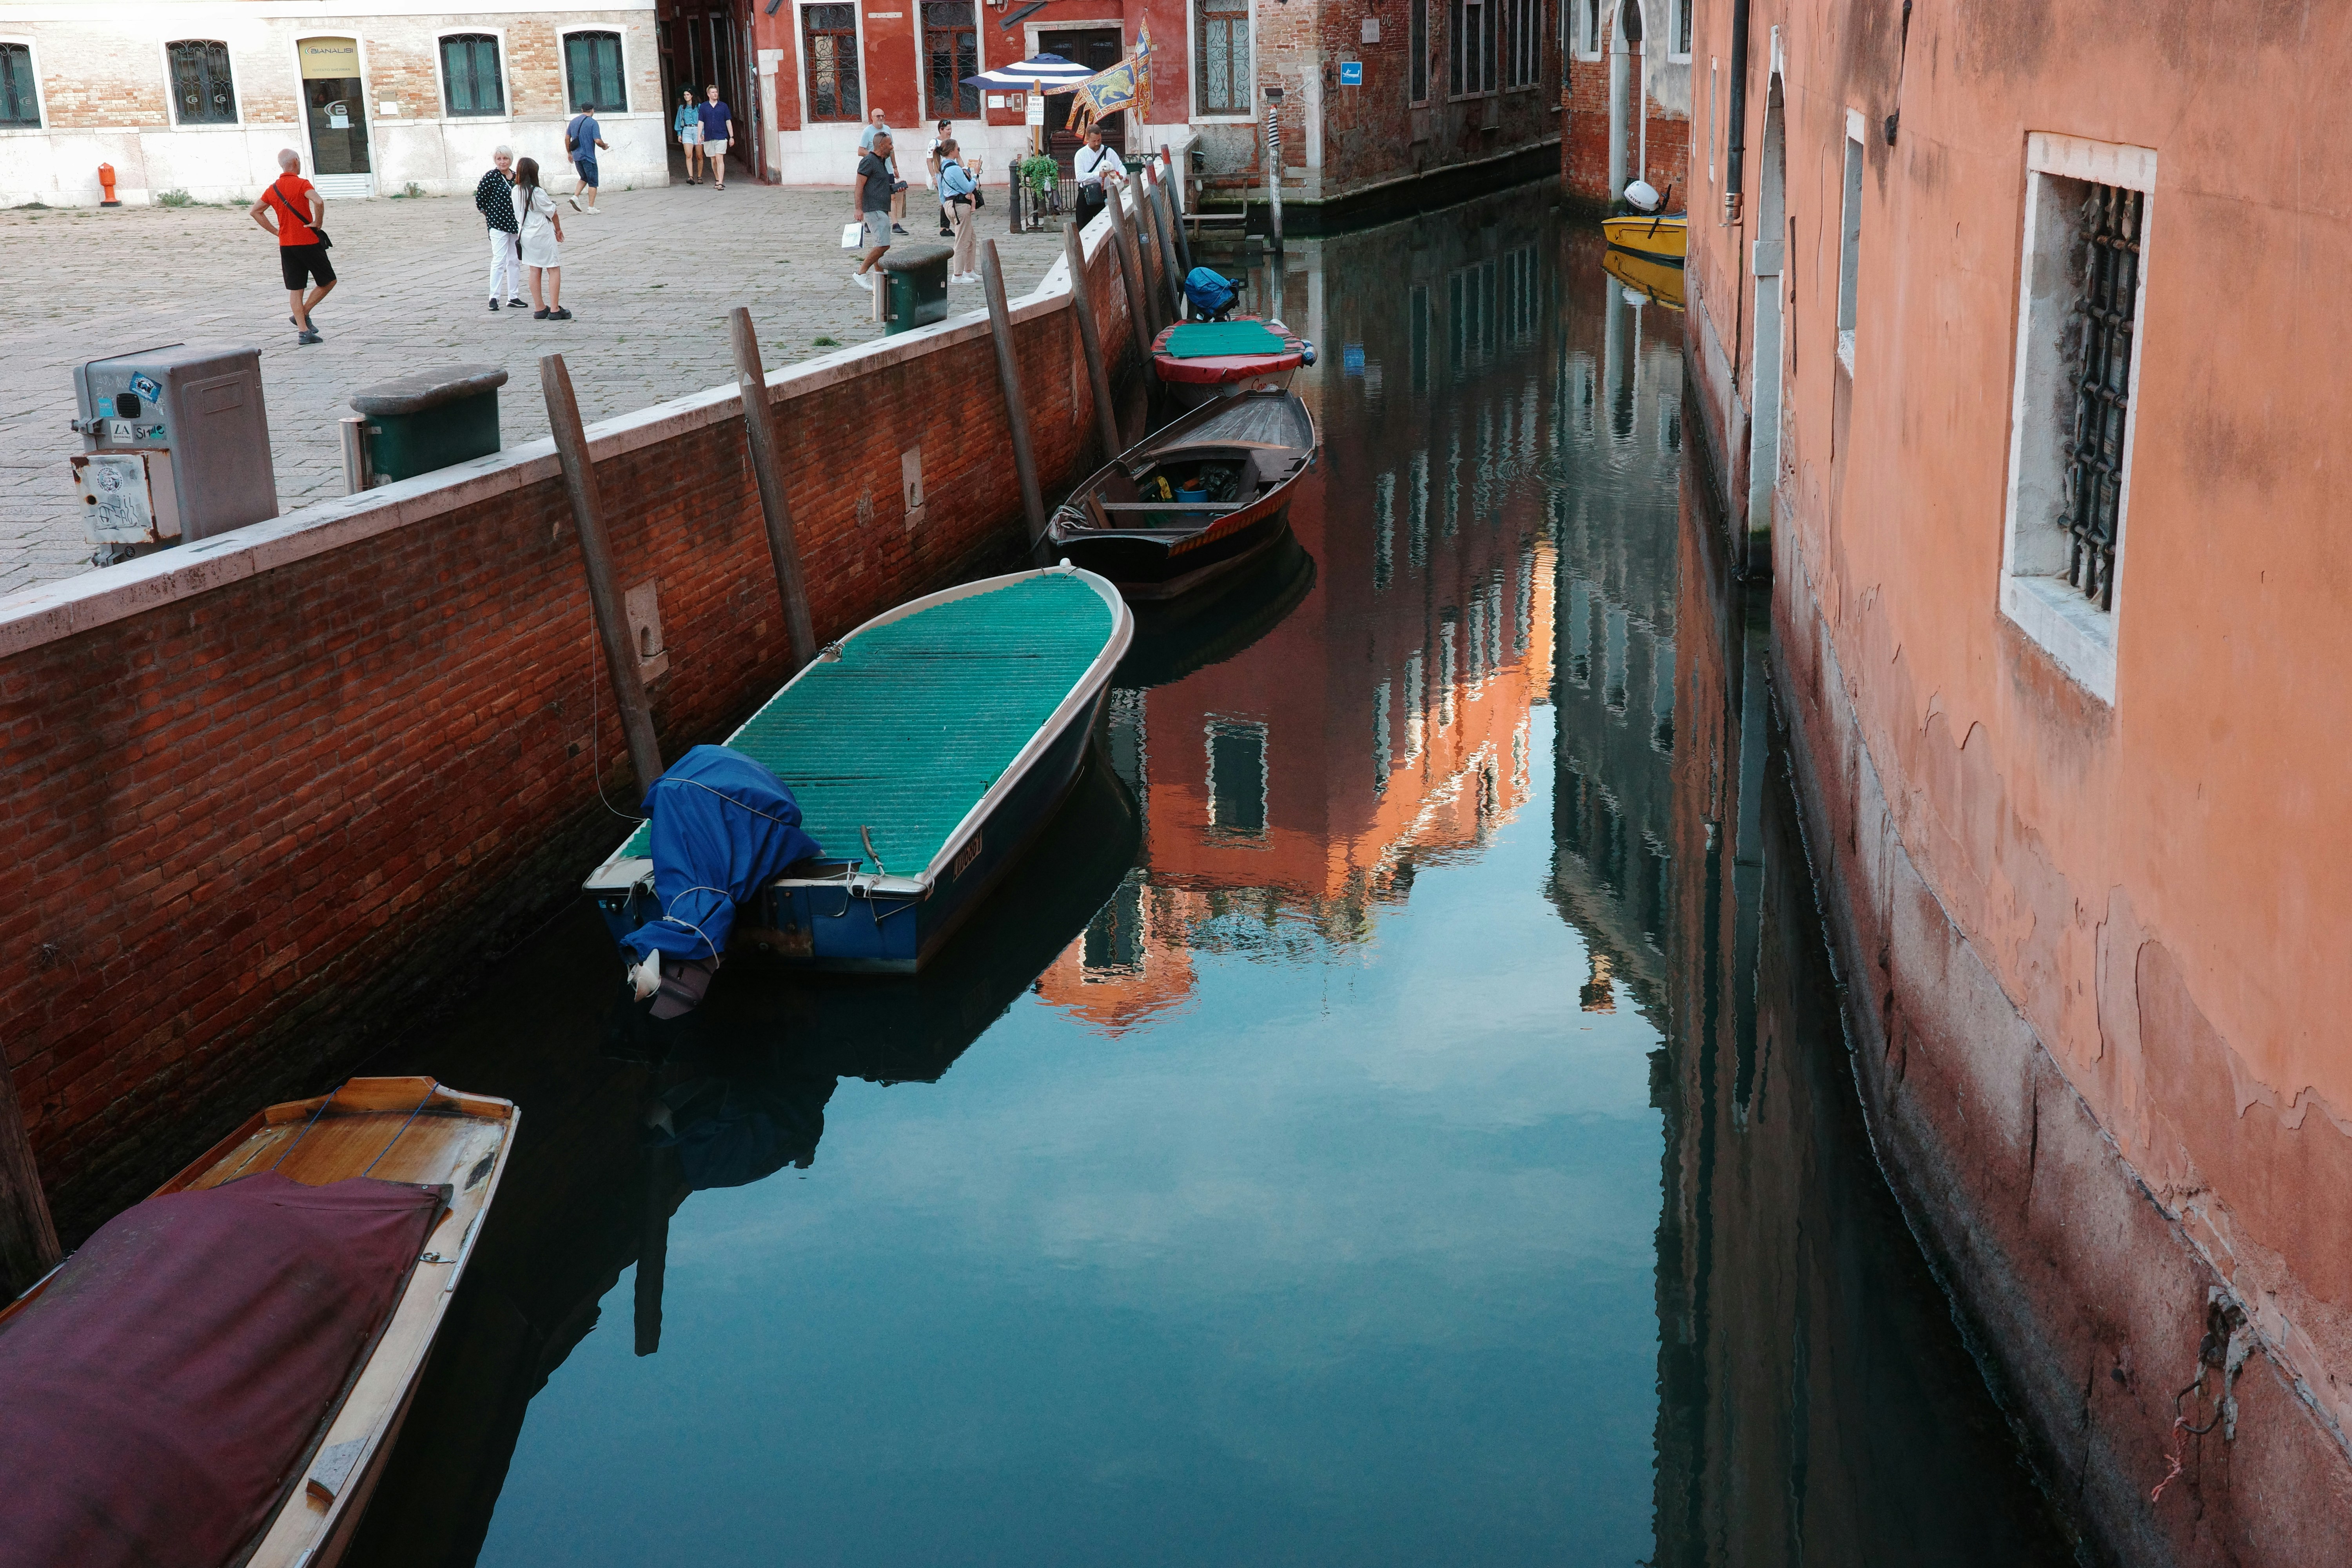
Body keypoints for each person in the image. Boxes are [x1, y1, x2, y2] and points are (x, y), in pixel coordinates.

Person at [248, 148, 333, 345]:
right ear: (295, 162)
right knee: (328, 281)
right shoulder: (302, 184)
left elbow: (255, 211)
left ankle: (303, 331)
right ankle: (303, 314)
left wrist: (276, 231)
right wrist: (318, 223)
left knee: (296, 289)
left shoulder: (274, 188)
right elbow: (318, 201)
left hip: (287, 245)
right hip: (308, 242)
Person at [514, 156, 570, 319]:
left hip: (526, 234)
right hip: (542, 234)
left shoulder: (515, 191)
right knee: (553, 269)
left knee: (534, 269)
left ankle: (539, 307)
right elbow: (553, 212)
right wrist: (558, 230)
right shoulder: (537, 192)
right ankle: (554, 309)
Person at [475, 146, 526, 312]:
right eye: (499, 159)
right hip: (498, 225)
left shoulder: (517, 178)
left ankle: (513, 296)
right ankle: (494, 297)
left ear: (511, 160)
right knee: (499, 260)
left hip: (515, 225)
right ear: (495, 161)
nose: (502, 162)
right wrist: (491, 217)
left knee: (514, 260)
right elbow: (480, 201)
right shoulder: (491, 177)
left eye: (505, 159)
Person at [848, 129, 895, 294]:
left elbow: (878, 185)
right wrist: (858, 209)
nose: (892, 147)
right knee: (883, 245)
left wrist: (895, 187)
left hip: (881, 207)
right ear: (881, 145)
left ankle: (880, 277)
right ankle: (860, 273)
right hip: (873, 209)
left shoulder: (881, 162)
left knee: (880, 243)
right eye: (890, 144)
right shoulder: (868, 161)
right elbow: (859, 186)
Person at [937, 138, 978, 283]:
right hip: (959, 206)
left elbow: (941, 192)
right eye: (958, 149)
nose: (958, 151)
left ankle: (969, 270)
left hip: (951, 204)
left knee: (971, 238)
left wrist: (947, 206)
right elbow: (969, 187)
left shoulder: (942, 168)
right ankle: (958, 275)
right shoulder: (954, 168)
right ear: (951, 151)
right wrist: (976, 175)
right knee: (962, 240)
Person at [862, 109, 907, 234]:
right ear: (873, 118)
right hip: (874, 169)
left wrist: (895, 167)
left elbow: (891, 149)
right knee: (876, 196)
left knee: (892, 197)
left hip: (887, 169)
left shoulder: (887, 130)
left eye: (883, 115)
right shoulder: (867, 132)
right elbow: (861, 151)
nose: (881, 118)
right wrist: (875, 156)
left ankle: (896, 225)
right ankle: (869, 222)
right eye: (878, 116)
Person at [1073, 123, 1122, 229]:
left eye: (1099, 140)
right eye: (1094, 141)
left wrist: (1121, 176)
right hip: (1086, 195)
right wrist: (1098, 174)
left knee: (1105, 228)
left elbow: (1121, 168)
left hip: (1103, 195)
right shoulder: (1080, 154)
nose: (1097, 144)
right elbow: (1080, 177)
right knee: (1083, 228)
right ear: (1088, 139)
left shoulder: (1109, 152)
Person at [565, 101, 609, 213]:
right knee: (593, 182)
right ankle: (591, 207)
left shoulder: (574, 122)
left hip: (577, 157)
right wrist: (604, 146)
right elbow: (598, 141)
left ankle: (575, 196)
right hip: (589, 157)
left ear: (582, 110)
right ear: (593, 110)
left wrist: (569, 153)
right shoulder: (593, 123)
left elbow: (567, 138)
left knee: (583, 178)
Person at [698, 84, 734, 191]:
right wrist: (699, 135)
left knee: (720, 158)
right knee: (713, 160)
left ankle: (721, 183)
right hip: (709, 137)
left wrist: (731, 136)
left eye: (716, 92)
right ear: (708, 94)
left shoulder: (723, 106)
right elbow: (701, 122)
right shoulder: (704, 107)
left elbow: (728, 121)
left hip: (721, 136)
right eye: (713, 93)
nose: (715, 94)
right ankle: (717, 179)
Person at [926, 117, 953, 236]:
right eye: (948, 129)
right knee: (945, 201)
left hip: (948, 175)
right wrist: (934, 178)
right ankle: (943, 228)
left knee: (948, 200)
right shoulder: (934, 143)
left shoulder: (950, 142)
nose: (950, 131)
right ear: (941, 130)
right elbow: (929, 161)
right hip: (940, 176)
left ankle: (947, 228)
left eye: (951, 129)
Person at [675, 89, 704, 185]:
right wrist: (679, 133)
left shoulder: (698, 107)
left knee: (699, 156)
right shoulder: (682, 108)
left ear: (692, 96)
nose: (686, 97)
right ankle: (691, 177)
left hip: (697, 130)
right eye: (685, 95)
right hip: (687, 130)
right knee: (689, 155)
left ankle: (699, 176)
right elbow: (679, 120)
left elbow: (703, 121)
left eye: (688, 95)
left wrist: (703, 132)